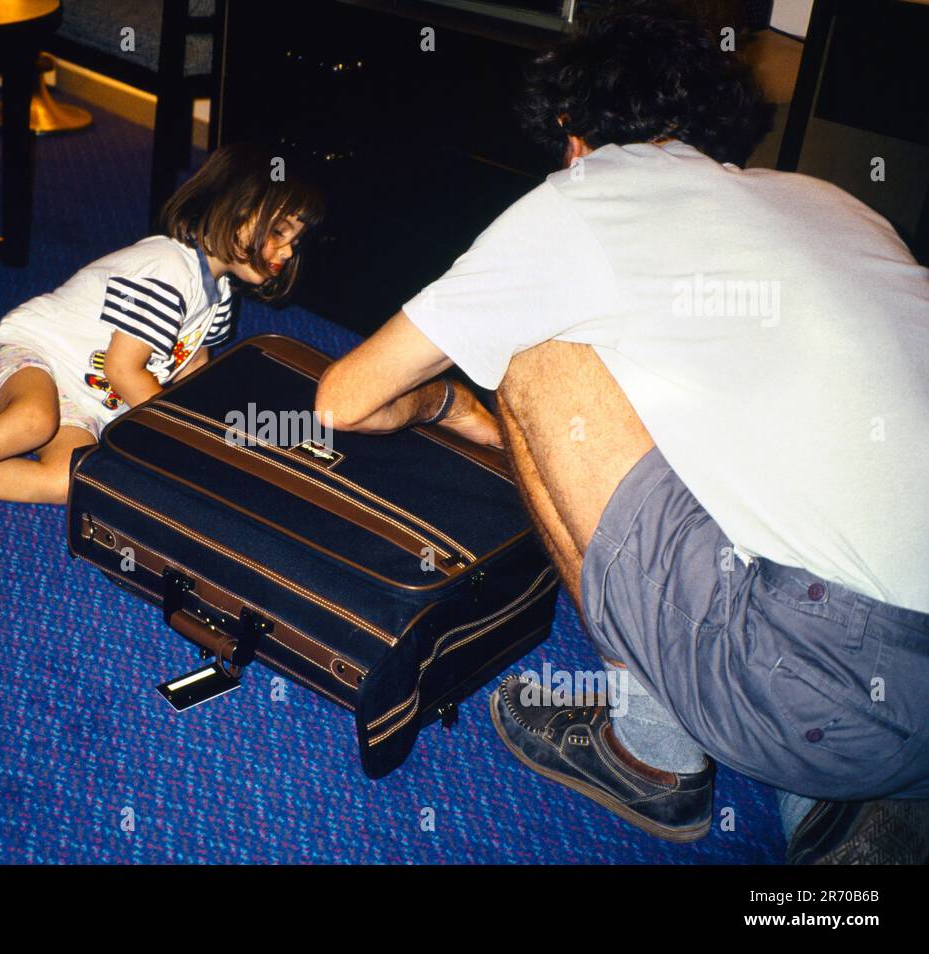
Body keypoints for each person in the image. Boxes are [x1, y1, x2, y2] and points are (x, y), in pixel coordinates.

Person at [313, 4, 928, 862]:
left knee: (538, 355)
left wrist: (446, 405)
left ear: (572, 133)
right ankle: (845, 793)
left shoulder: (587, 199)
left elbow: (342, 400)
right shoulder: (826, 200)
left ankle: (652, 753)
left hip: (825, 679)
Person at [0, 142, 323, 562]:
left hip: (86, 396)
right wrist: (180, 436)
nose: (286, 249)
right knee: (33, 421)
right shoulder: (167, 270)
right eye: (279, 230)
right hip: (36, 351)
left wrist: (208, 424)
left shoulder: (219, 294)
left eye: (295, 239)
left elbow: (191, 366)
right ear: (231, 206)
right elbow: (124, 370)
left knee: (69, 481)